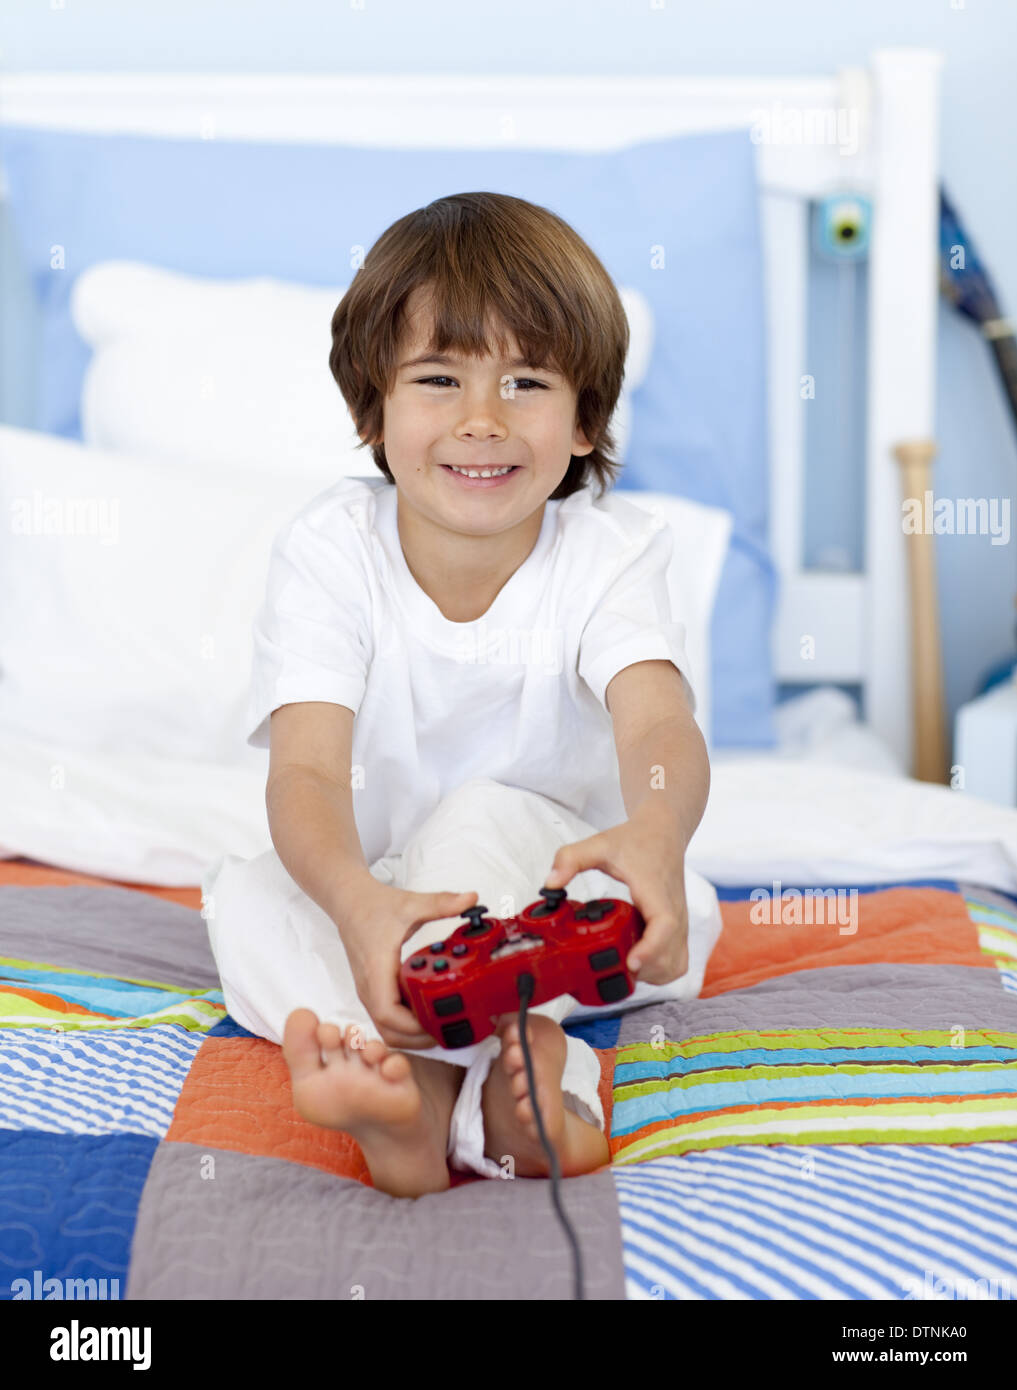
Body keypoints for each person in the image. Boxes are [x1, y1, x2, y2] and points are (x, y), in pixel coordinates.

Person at [202, 190, 722, 1198]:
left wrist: (657, 829)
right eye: (439, 379)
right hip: (391, 893)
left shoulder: (613, 556)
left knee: (474, 812)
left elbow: (658, 720)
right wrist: (357, 905)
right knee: (247, 899)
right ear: (372, 411)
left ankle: (454, 1104)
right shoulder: (328, 552)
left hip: (569, 898)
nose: (481, 420)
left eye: (526, 382)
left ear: (586, 423)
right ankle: (465, 1096)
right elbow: (307, 768)